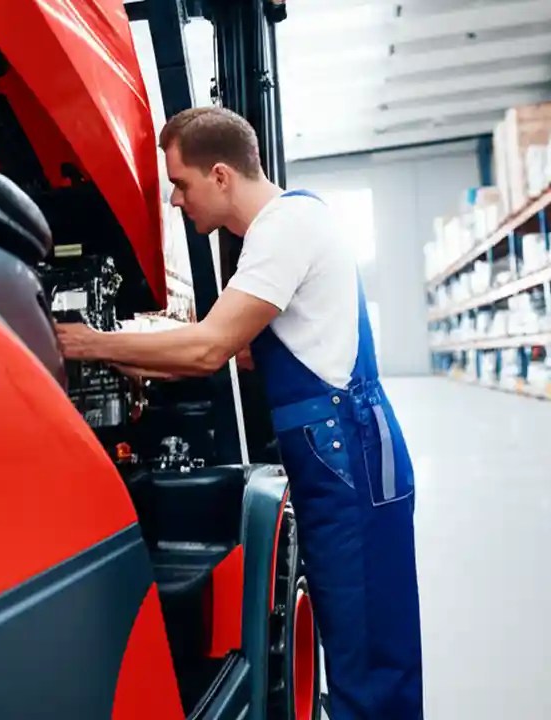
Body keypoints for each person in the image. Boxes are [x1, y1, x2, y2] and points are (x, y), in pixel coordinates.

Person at [55, 106, 422, 719]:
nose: (175, 200)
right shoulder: (290, 223)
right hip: (342, 453)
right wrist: (143, 348)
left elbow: (209, 348)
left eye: (181, 184)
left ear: (221, 175)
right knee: (361, 644)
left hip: (346, 455)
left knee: (370, 658)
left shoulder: (282, 229)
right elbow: (246, 353)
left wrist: (88, 342)